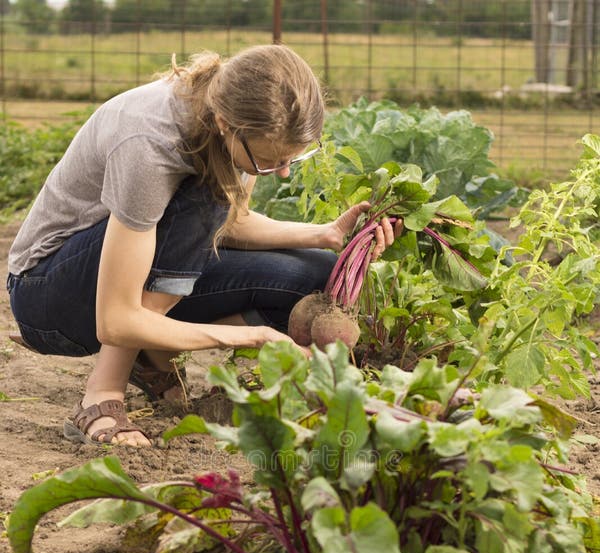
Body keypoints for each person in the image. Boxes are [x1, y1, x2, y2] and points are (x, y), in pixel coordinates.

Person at [7, 44, 397, 447]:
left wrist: (327, 235)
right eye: (268, 162)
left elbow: (233, 223)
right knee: (207, 195)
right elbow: (115, 319)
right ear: (226, 123)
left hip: (124, 280)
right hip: (49, 294)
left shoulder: (235, 122)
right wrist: (254, 337)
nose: (279, 173)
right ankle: (102, 394)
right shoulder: (152, 143)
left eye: (289, 161)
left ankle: (151, 352)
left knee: (314, 274)